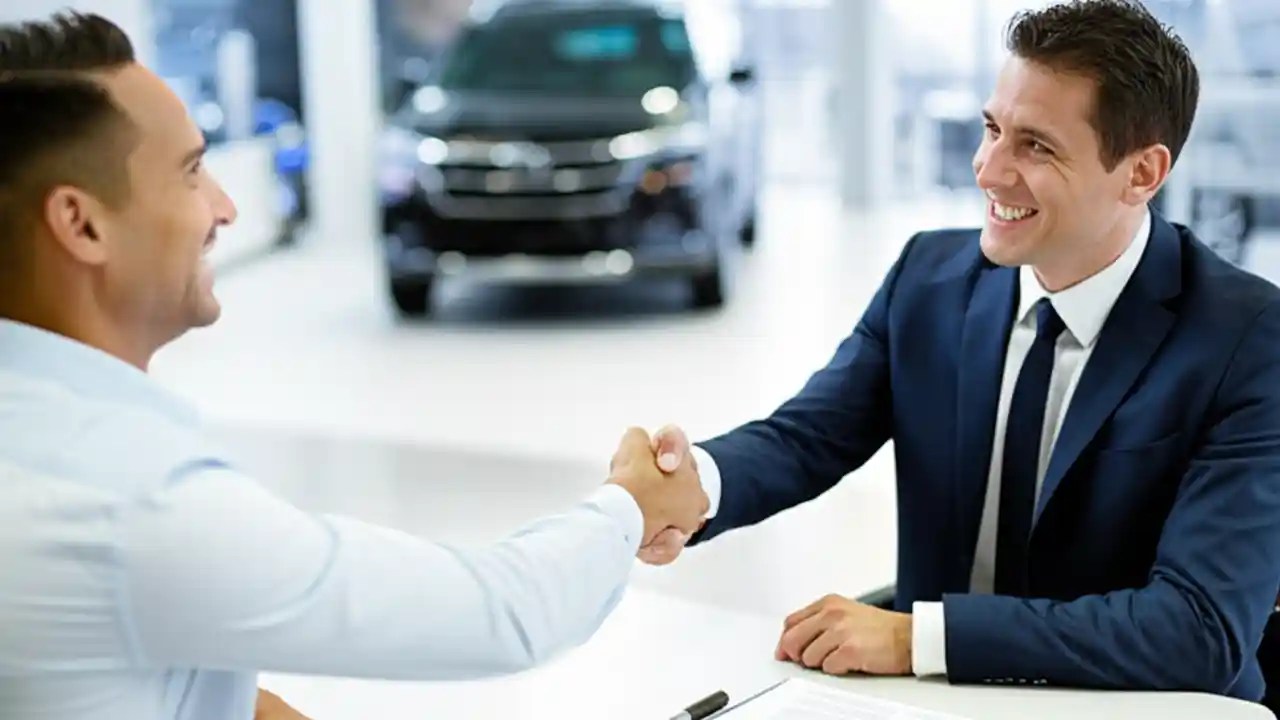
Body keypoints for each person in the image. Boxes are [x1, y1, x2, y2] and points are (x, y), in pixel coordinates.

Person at [0, 12, 707, 720]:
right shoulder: (127, 504)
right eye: (189, 174)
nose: (225, 206)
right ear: (82, 224)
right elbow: (500, 612)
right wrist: (633, 504)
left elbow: (163, 683)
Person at [638, 0, 1280, 707]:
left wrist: (919, 639)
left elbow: (1197, 630)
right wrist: (694, 484)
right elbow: (808, 437)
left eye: (1035, 146)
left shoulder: (1246, 340)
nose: (988, 169)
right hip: (934, 698)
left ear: (1141, 173)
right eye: (992, 128)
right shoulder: (930, 278)